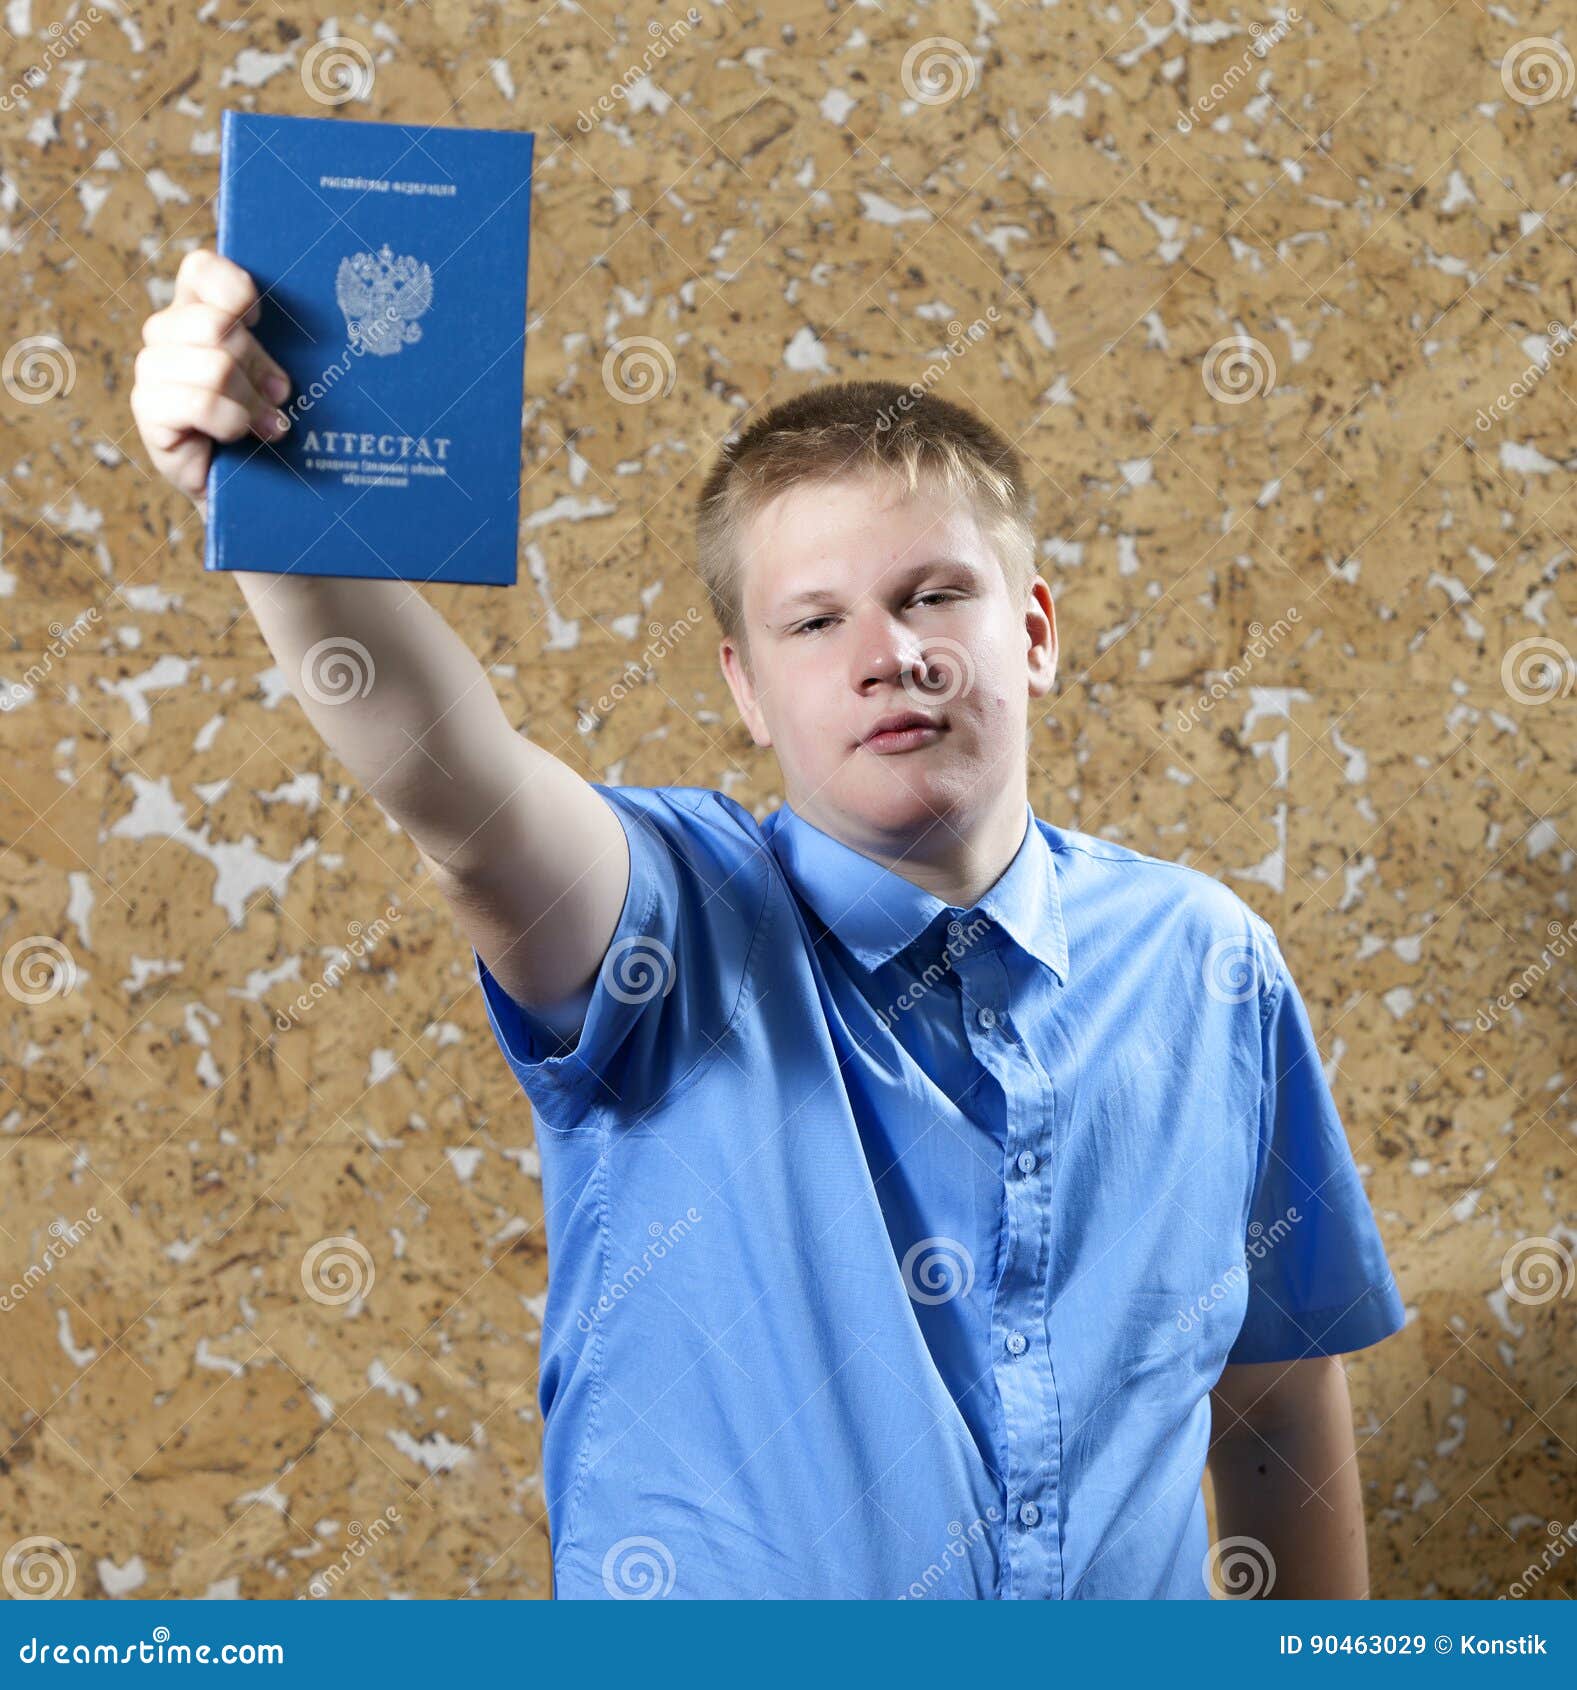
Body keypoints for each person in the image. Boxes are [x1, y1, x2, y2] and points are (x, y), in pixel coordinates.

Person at [131, 248, 1406, 1601]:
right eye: (814, 619)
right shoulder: (667, 922)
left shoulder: (1204, 959)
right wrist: (259, 495)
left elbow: (1271, 1403)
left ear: (1031, 631)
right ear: (744, 687)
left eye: (933, 594)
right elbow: (456, 784)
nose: (888, 653)